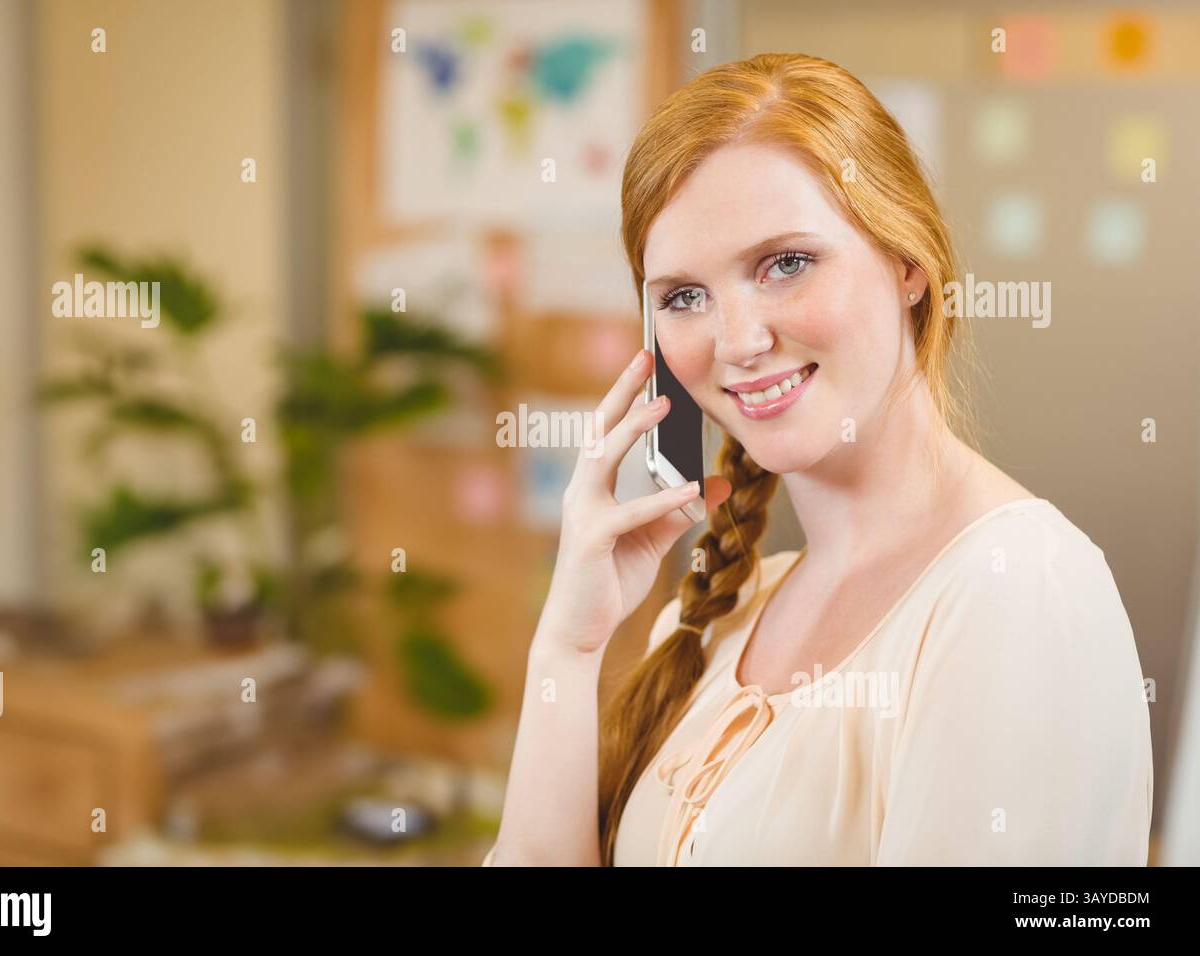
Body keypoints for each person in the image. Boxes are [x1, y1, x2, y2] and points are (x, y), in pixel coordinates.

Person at [482, 53, 1152, 866]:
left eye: (786, 264)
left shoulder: (1018, 590)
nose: (738, 341)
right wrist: (568, 647)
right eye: (684, 297)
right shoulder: (727, 609)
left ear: (909, 264)